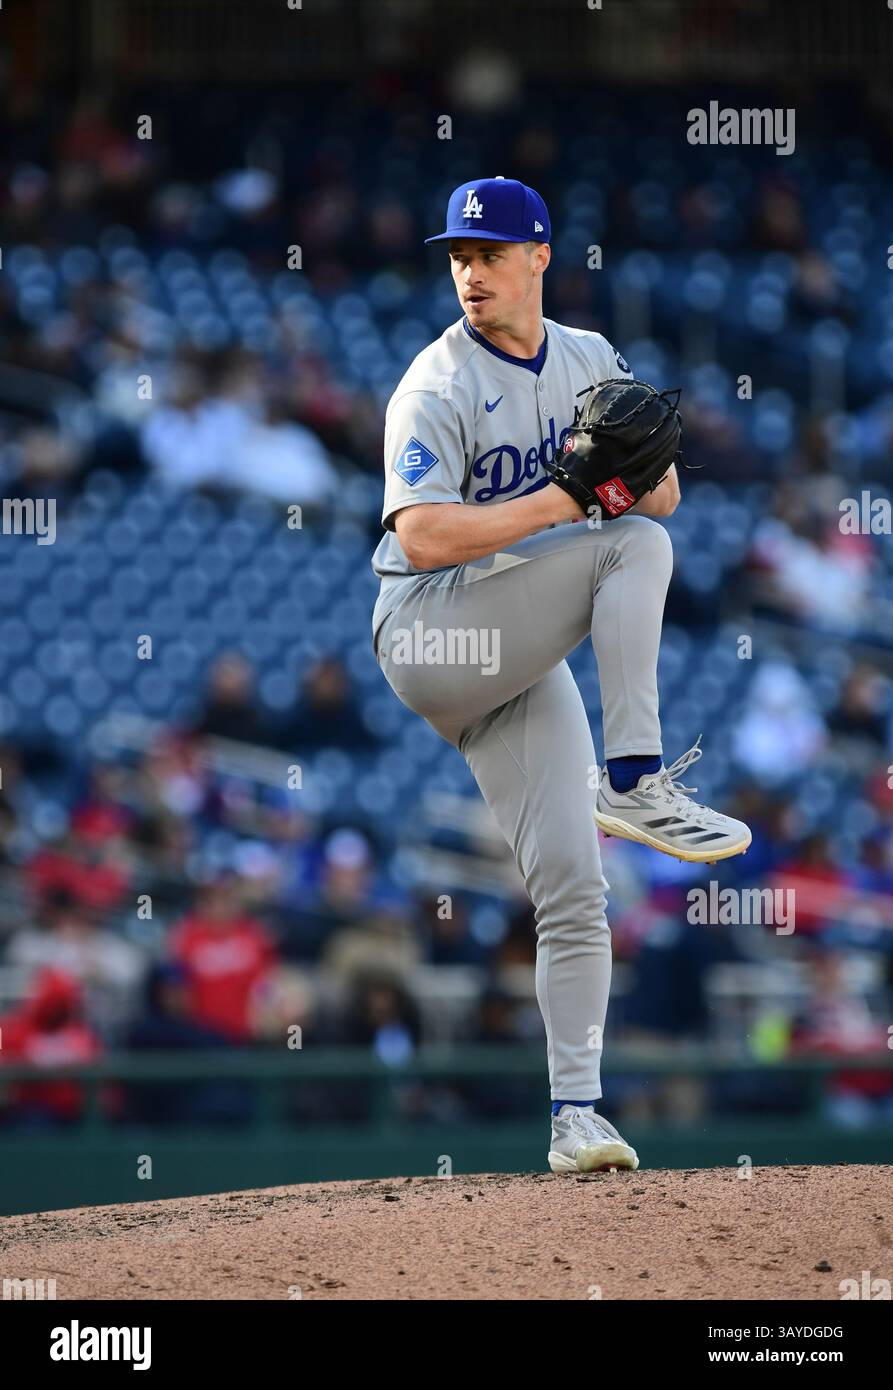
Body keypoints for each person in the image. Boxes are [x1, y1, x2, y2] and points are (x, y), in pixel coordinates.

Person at [370, 177, 751, 1174]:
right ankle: (634, 780)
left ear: (539, 256)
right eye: (457, 256)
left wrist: (606, 479)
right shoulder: (435, 381)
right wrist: (564, 497)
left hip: (514, 654)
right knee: (627, 551)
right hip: (430, 635)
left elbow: (658, 489)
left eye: (487, 254)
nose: (469, 273)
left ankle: (574, 1115)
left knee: (575, 888)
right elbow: (418, 536)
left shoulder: (585, 357)